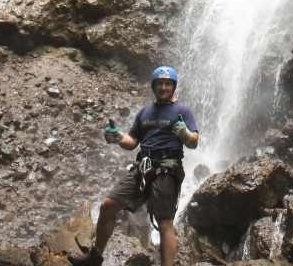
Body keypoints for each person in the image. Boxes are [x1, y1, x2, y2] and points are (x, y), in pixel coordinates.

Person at [67, 65, 199, 266]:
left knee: (164, 221)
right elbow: (132, 142)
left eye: (167, 84)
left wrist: (185, 134)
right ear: (153, 86)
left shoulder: (182, 110)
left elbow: (194, 142)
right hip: (144, 165)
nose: (163, 87)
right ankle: (94, 258)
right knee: (107, 206)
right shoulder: (145, 112)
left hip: (167, 166)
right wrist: (117, 137)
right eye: (160, 83)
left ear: (173, 86)